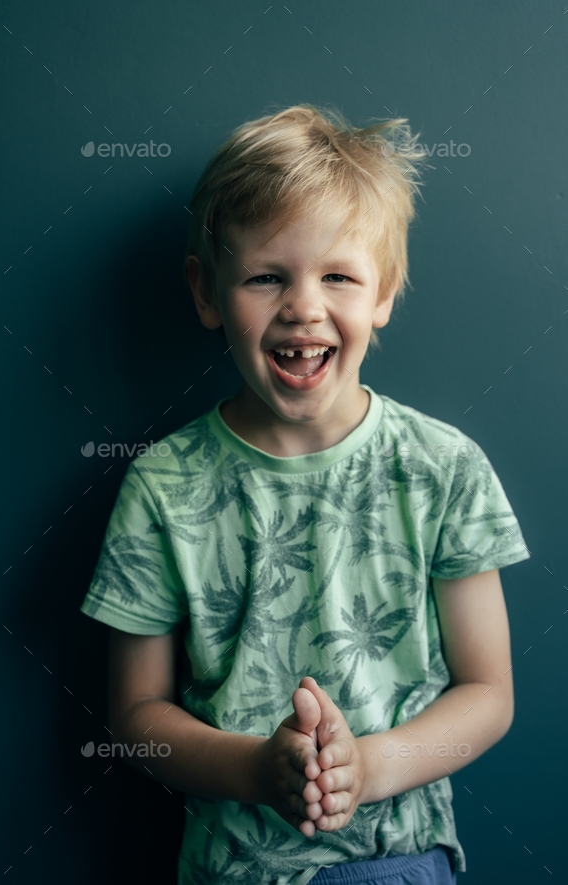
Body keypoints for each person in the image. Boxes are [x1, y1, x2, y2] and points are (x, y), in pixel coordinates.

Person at [80, 104, 530, 884]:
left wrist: (371, 766)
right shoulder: (160, 483)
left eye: (339, 276)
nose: (303, 306)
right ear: (208, 291)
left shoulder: (444, 467)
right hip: (230, 866)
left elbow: (489, 691)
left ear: (382, 292)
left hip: (395, 858)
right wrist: (257, 769)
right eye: (265, 275)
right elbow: (135, 714)